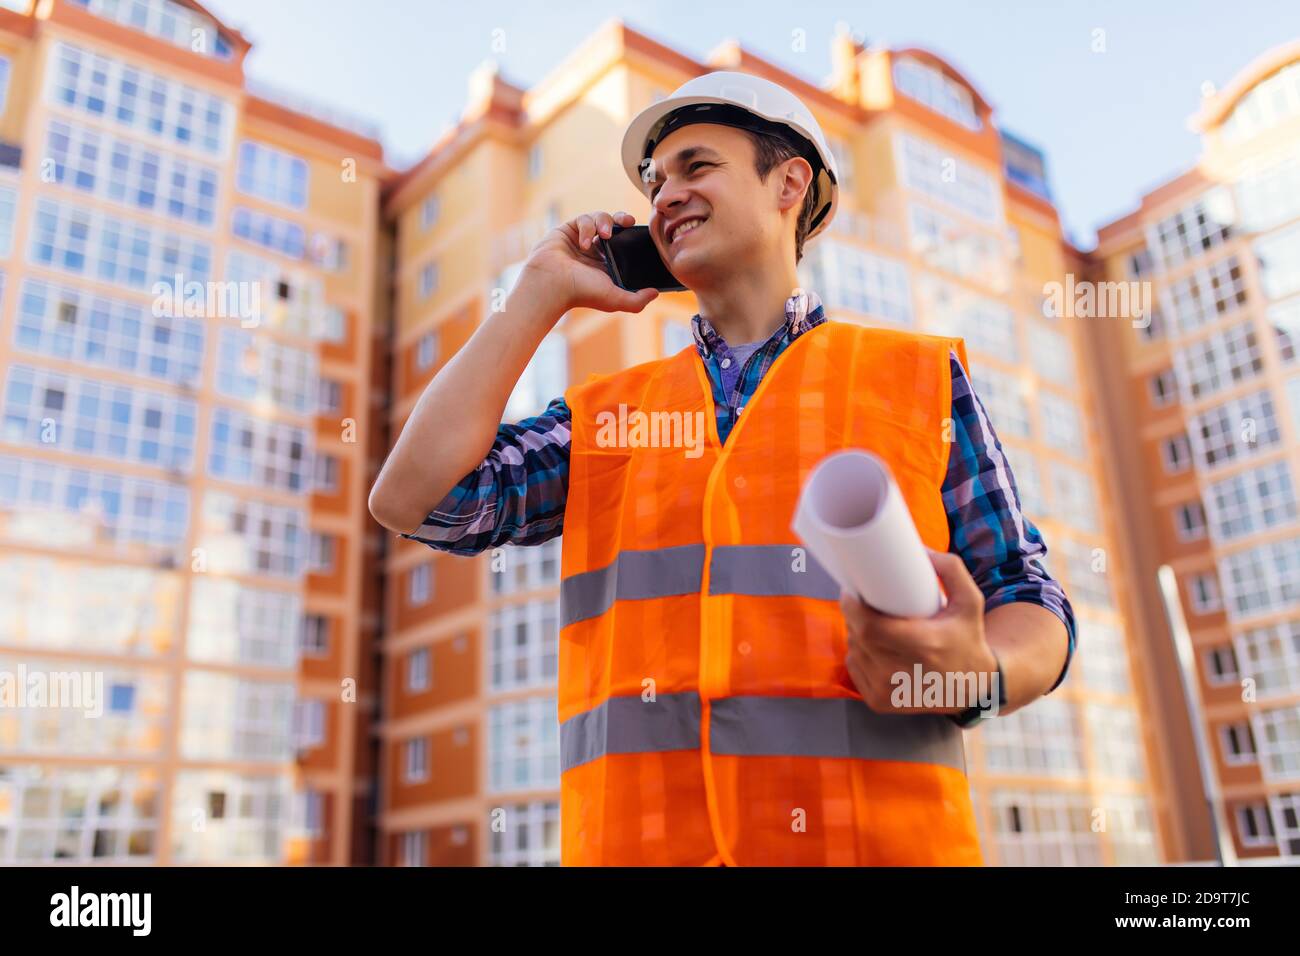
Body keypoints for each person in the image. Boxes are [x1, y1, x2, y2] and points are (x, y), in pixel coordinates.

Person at [369, 71, 1076, 866]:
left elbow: (1027, 595)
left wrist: (978, 673)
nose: (664, 195)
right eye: (654, 183)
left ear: (789, 184)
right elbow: (417, 498)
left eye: (696, 166)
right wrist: (537, 293)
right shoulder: (608, 416)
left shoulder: (917, 379)